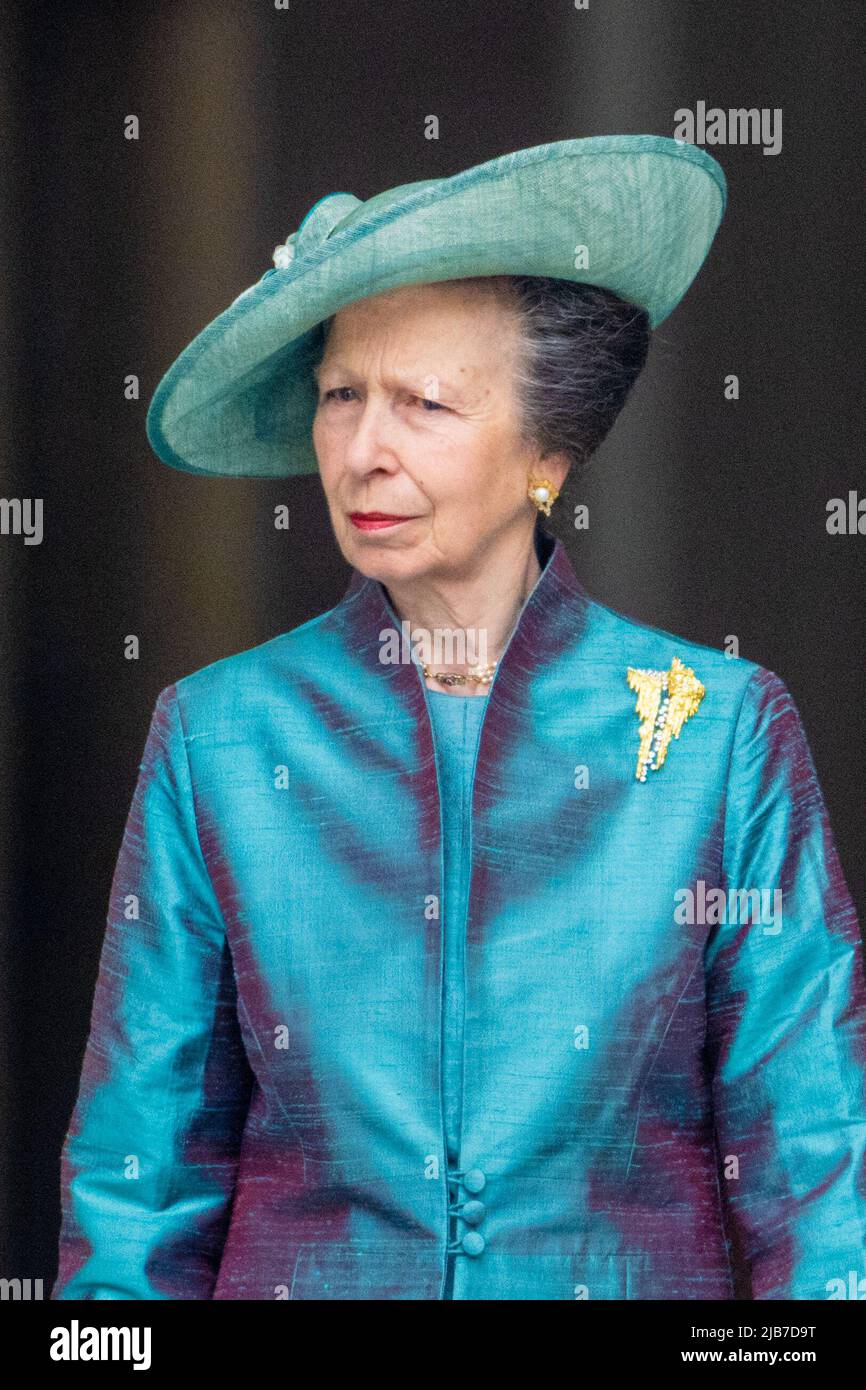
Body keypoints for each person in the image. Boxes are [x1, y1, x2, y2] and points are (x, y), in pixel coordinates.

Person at [52, 135, 866, 1300]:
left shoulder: (716, 734)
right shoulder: (220, 738)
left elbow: (812, 1171)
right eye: (341, 396)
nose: (364, 451)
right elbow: (138, 1183)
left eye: (422, 402)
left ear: (547, 450)